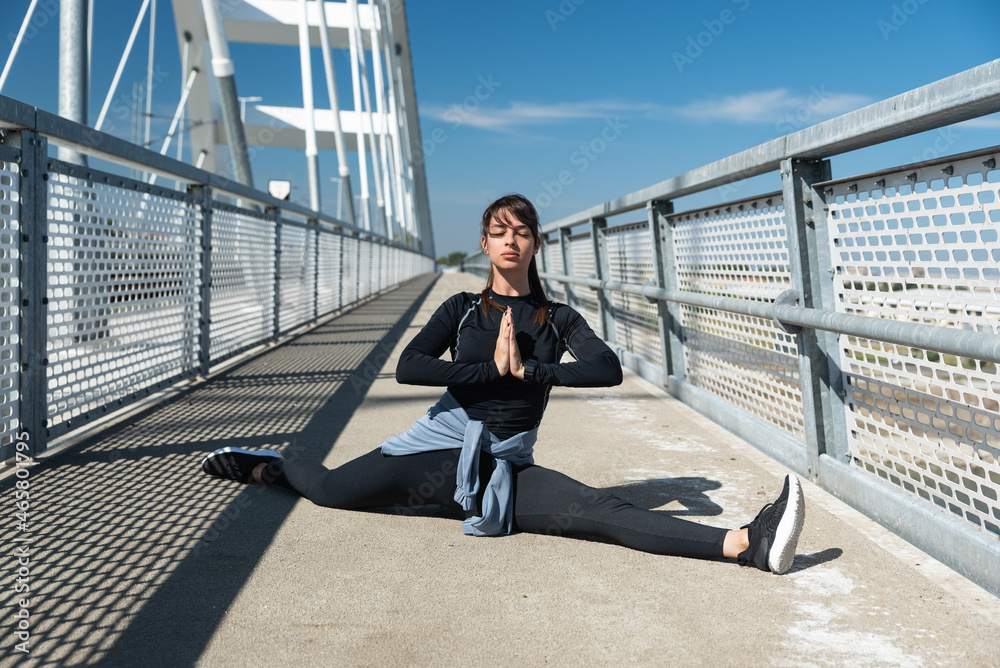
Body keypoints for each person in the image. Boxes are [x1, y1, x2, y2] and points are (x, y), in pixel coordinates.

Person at [201, 193, 805, 574]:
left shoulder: (557, 318)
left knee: (598, 511)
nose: (510, 239)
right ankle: (272, 465)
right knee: (330, 488)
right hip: (434, 448)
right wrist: (490, 371)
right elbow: (410, 366)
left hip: (504, 464)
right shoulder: (462, 308)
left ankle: (747, 542)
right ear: (485, 244)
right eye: (499, 230)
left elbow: (606, 369)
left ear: (534, 243)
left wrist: (535, 371)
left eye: (521, 230)